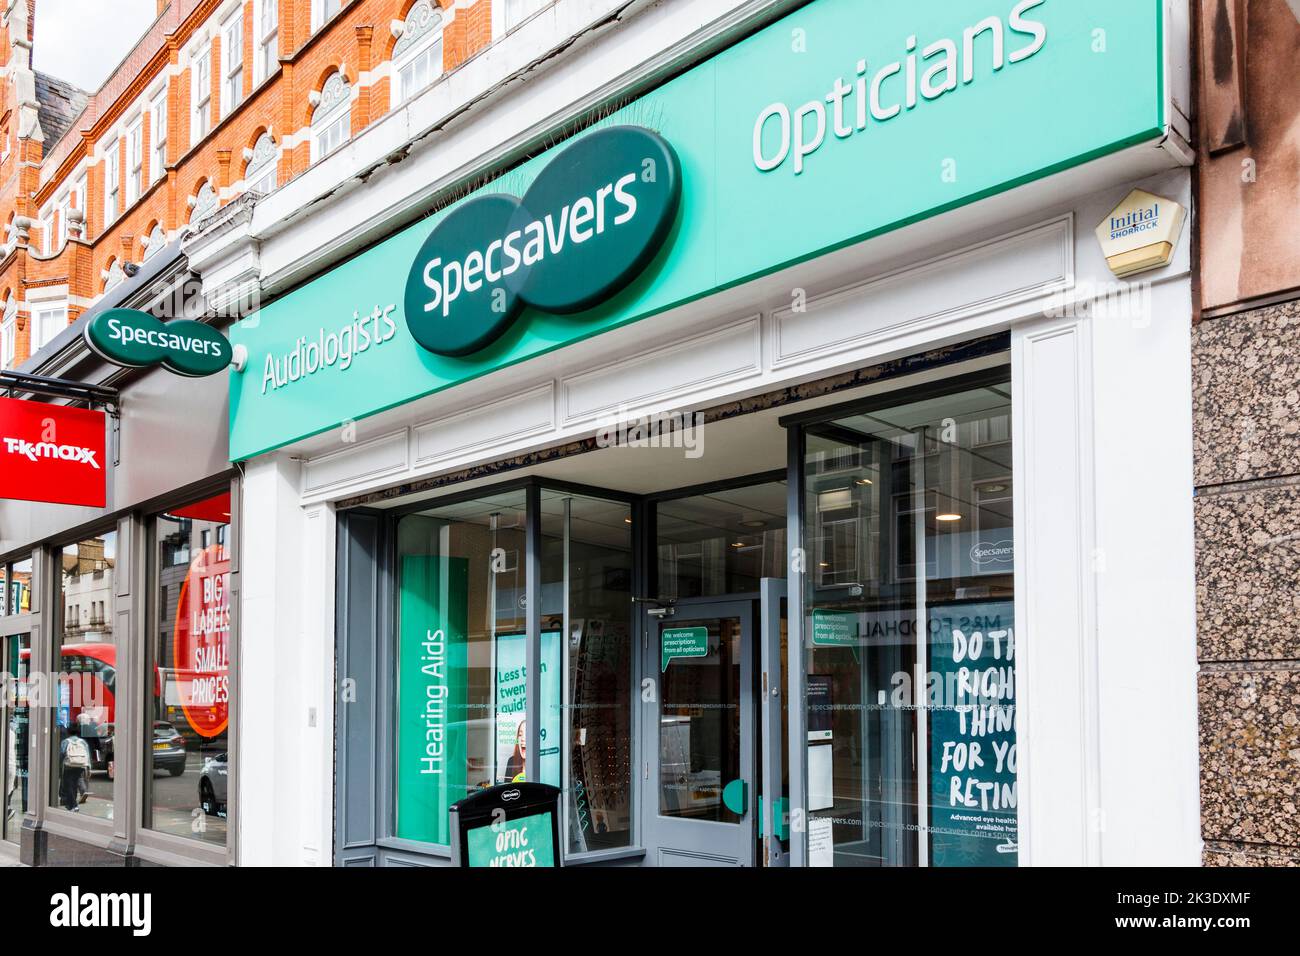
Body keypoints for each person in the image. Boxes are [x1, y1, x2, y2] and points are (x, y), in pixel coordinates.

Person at [59, 728, 90, 812]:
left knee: (68, 785)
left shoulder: (65, 741)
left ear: (69, 732)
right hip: (80, 765)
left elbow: (61, 754)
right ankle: (72, 804)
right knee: (75, 784)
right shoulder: (82, 742)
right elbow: (87, 754)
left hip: (68, 765)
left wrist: (58, 765)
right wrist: (88, 767)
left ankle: (73, 805)